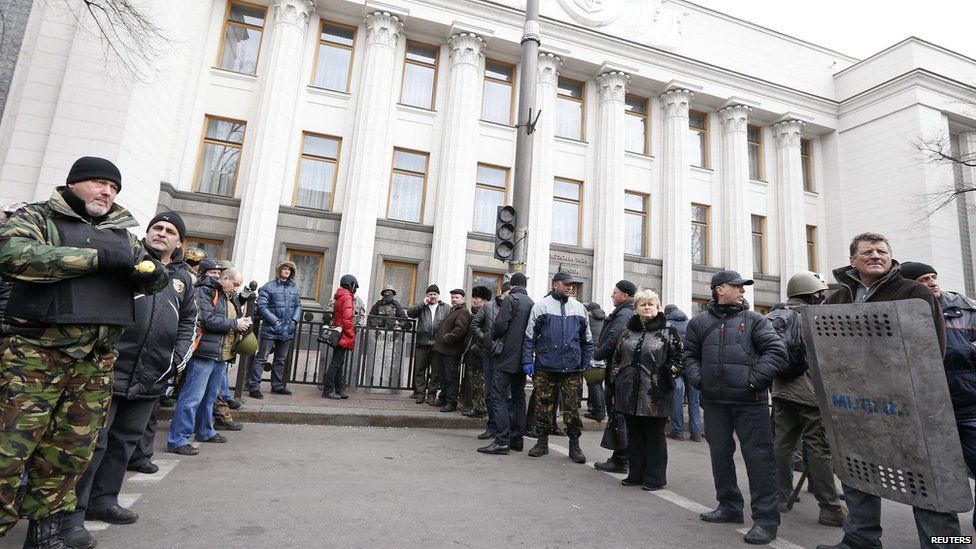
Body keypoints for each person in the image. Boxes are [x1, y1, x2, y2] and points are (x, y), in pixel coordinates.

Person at [0, 156, 168, 545]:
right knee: (9, 453)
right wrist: (95, 259)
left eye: (113, 188)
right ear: (73, 184)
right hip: (35, 358)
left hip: (94, 363)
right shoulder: (38, 217)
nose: (107, 191)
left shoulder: (124, 234)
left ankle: (46, 536)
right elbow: (12, 255)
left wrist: (154, 273)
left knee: (68, 456)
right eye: (98, 183)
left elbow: (149, 278)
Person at [62, 212, 198, 548]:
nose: (162, 234)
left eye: (169, 231)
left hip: (152, 374)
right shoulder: (128, 260)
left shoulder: (183, 279)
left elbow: (189, 324)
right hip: (110, 370)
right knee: (93, 444)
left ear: (179, 242)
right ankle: (72, 514)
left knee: (124, 443)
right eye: (157, 228)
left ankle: (104, 500)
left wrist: (174, 363)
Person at [683, 270, 788, 545]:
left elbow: (777, 352)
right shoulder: (698, 323)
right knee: (720, 455)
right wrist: (699, 380)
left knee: (759, 460)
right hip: (715, 403)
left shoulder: (755, 320)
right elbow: (689, 356)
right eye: (737, 286)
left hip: (750, 404)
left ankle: (766, 520)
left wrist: (753, 382)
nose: (743, 291)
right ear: (719, 289)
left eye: (743, 287)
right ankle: (729, 506)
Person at [899, 261, 976, 535]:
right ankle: (945, 540)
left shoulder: (967, 308)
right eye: (923, 279)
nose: (932, 282)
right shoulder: (902, 311)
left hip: (969, 405)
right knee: (936, 484)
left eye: (933, 276)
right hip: (927, 413)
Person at [767, 272, 847, 527]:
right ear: (813, 294)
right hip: (811, 393)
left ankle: (780, 497)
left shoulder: (772, 316)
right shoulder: (815, 317)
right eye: (819, 294)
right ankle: (830, 507)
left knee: (782, 445)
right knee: (819, 448)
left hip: (781, 390)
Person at [167, 268, 250, 455]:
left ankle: (204, 431)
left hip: (220, 354)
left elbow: (225, 318)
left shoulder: (228, 295)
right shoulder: (204, 291)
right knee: (191, 398)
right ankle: (178, 439)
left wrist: (240, 323)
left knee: (209, 398)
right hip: (205, 353)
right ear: (225, 278)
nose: (236, 289)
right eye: (235, 284)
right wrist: (235, 324)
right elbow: (206, 320)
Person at [611, 289, 683, 491]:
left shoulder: (669, 330)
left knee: (654, 436)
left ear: (658, 307)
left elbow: (679, 358)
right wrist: (616, 379)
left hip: (655, 394)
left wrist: (666, 376)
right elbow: (617, 358)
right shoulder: (627, 331)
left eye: (651, 304)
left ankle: (655, 477)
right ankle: (635, 474)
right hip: (629, 392)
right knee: (634, 434)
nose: (647, 307)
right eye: (643, 304)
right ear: (635, 309)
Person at [522, 271, 593, 463]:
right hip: (546, 367)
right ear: (555, 285)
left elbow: (587, 340)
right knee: (543, 406)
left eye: (571, 285)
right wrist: (527, 361)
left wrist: (586, 363)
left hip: (571, 368)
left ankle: (574, 445)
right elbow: (530, 337)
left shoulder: (579, 308)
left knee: (571, 409)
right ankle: (542, 442)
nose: (570, 287)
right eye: (566, 284)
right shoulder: (541, 306)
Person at [479, 274, 533, 455]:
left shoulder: (511, 300)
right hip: (522, 358)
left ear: (513, 285)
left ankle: (502, 440)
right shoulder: (531, 303)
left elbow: (500, 325)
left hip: (506, 357)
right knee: (518, 398)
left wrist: (491, 337)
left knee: (498, 397)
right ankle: (517, 439)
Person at [593, 280, 637, 473]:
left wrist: (597, 354)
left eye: (615, 293)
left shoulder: (624, 313)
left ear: (624, 296)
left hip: (618, 370)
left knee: (618, 414)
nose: (612, 296)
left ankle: (620, 459)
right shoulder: (625, 311)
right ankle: (622, 457)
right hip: (620, 368)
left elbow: (614, 338)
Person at [249, 261, 301, 399]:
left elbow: (298, 306)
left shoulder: (294, 288)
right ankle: (254, 386)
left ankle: (277, 385)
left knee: (280, 360)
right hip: (270, 329)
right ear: (279, 271)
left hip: (287, 329)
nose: (286, 271)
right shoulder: (268, 287)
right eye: (284, 269)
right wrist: (275, 321)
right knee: (261, 358)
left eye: (289, 270)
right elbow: (262, 306)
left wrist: (294, 321)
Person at [471, 282, 511, 440]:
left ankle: (504, 428)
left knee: (504, 394)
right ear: (503, 292)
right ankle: (492, 426)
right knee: (489, 392)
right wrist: (485, 339)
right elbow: (474, 325)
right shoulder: (488, 307)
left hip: (506, 356)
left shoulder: (514, 307)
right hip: (489, 355)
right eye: (509, 292)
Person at [430, 289, 472, 412]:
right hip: (443, 350)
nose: (453, 299)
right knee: (443, 377)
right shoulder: (454, 310)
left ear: (463, 299)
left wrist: (447, 338)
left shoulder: (463, 312)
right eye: (452, 297)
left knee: (450, 377)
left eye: (456, 297)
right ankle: (443, 398)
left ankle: (451, 402)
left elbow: (460, 330)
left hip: (451, 351)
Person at [407, 285, 449, 404]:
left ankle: (431, 394)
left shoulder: (445, 307)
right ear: (427, 295)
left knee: (435, 372)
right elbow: (410, 313)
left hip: (437, 344)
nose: (432, 296)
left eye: (435, 294)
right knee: (419, 370)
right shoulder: (422, 307)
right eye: (430, 294)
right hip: (422, 343)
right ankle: (420, 394)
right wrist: (422, 304)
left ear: (438, 295)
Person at [666, 304, 700, 442]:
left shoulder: (667, 326)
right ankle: (696, 434)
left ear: (667, 313)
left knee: (677, 398)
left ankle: (678, 432)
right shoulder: (691, 324)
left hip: (676, 367)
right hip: (692, 366)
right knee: (694, 401)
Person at [322, 275, 358, 399]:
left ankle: (338, 389)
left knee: (339, 362)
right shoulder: (347, 297)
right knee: (336, 362)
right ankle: (328, 390)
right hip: (343, 332)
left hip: (339, 331)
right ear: (350, 284)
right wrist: (351, 334)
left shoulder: (341, 295)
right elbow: (347, 319)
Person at [461, 286, 492, 418]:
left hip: (480, 352)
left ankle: (479, 408)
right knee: (470, 380)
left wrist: (479, 344)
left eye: (477, 298)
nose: (474, 301)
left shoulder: (488, 314)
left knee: (479, 382)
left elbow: (486, 333)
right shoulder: (474, 313)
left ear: (484, 301)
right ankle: (471, 404)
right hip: (471, 351)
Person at [583, 301, 608, 422]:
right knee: (598, 383)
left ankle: (599, 411)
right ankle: (597, 407)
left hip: (591, 353)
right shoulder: (605, 319)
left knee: (594, 383)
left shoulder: (588, 318)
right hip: (602, 353)